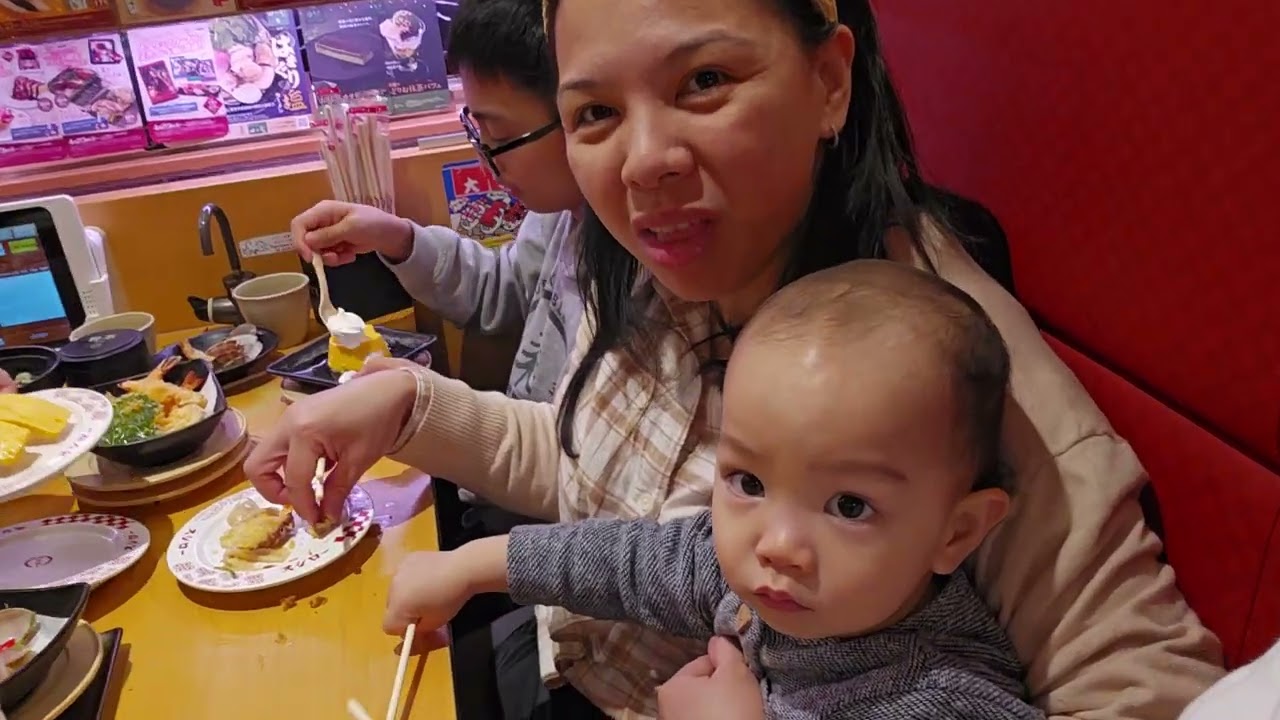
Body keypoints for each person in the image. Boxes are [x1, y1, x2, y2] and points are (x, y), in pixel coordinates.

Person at [246, 0, 1226, 717]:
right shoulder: (645, 255)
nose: (643, 162)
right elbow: (596, 472)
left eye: (704, 81)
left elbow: (1147, 692)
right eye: (595, 113)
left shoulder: (937, 358)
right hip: (570, 661)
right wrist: (406, 407)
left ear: (829, 80)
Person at [384, 260, 1046, 719]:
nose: (776, 544)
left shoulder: (948, 698)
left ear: (957, 532)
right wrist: (472, 566)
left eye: (849, 506)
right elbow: (634, 560)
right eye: (749, 482)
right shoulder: (760, 580)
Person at [291, 0, 582, 410]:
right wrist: (396, 237)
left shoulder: (641, 268)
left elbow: (570, 442)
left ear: (581, 116)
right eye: (477, 131)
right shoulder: (561, 214)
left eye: (500, 137)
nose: (486, 164)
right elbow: (506, 291)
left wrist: (431, 405)